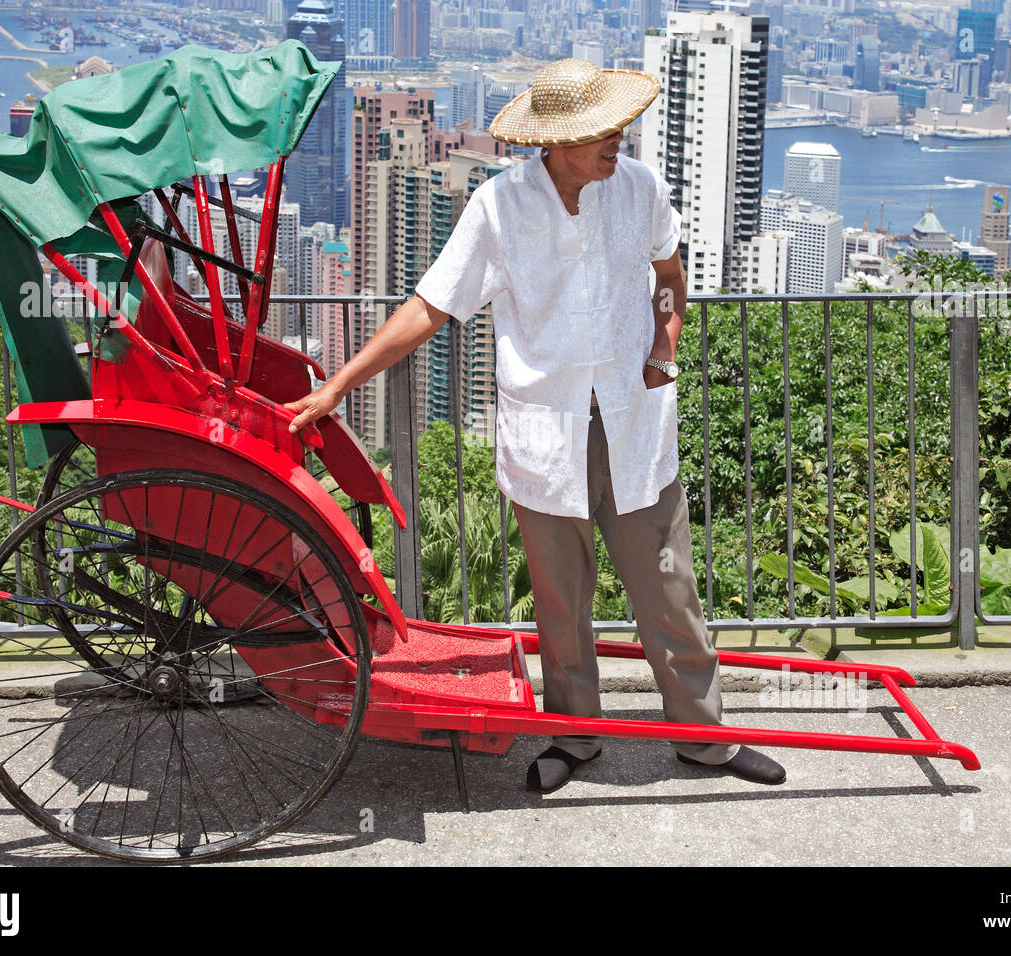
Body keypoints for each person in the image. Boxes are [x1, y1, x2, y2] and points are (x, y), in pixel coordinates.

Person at [286, 58, 786, 795]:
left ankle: (705, 738)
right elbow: (431, 306)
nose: (618, 140)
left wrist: (663, 346)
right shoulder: (499, 206)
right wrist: (336, 386)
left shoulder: (640, 188)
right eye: (600, 132)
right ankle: (574, 738)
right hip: (547, 429)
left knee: (668, 586)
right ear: (554, 141)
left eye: (618, 127)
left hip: (634, 421)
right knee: (561, 598)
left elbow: (671, 278)